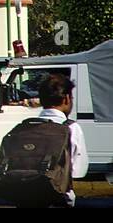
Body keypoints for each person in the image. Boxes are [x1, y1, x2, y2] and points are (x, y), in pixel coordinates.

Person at [36, 73, 87, 206]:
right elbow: (78, 170)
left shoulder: (24, 127)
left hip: (25, 197)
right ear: (67, 99)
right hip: (59, 199)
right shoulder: (71, 128)